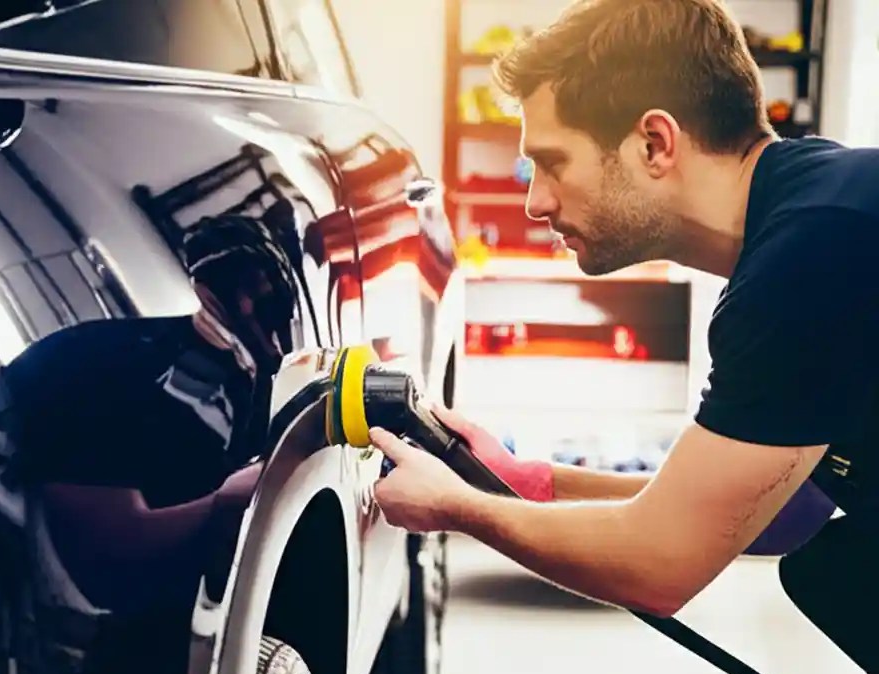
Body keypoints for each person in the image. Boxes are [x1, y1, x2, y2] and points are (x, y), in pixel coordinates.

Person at [371, 0, 879, 619]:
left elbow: (660, 563)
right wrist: (534, 483)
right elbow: (777, 509)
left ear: (655, 143)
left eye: (553, 163)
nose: (534, 202)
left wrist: (457, 508)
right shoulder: (819, 212)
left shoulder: (809, 257)